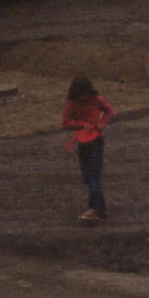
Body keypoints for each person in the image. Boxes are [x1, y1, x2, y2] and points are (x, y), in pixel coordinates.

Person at [62, 74, 115, 224]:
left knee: (93, 176)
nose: (84, 97)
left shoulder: (96, 99)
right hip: (83, 142)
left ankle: (94, 209)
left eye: (85, 94)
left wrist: (102, 124)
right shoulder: (72, 104)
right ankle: (101, 208)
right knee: (88, 177)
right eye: (81, 95)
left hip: (96, 141)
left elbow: (110, 111)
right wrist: (81, 125)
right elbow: (65, 123)